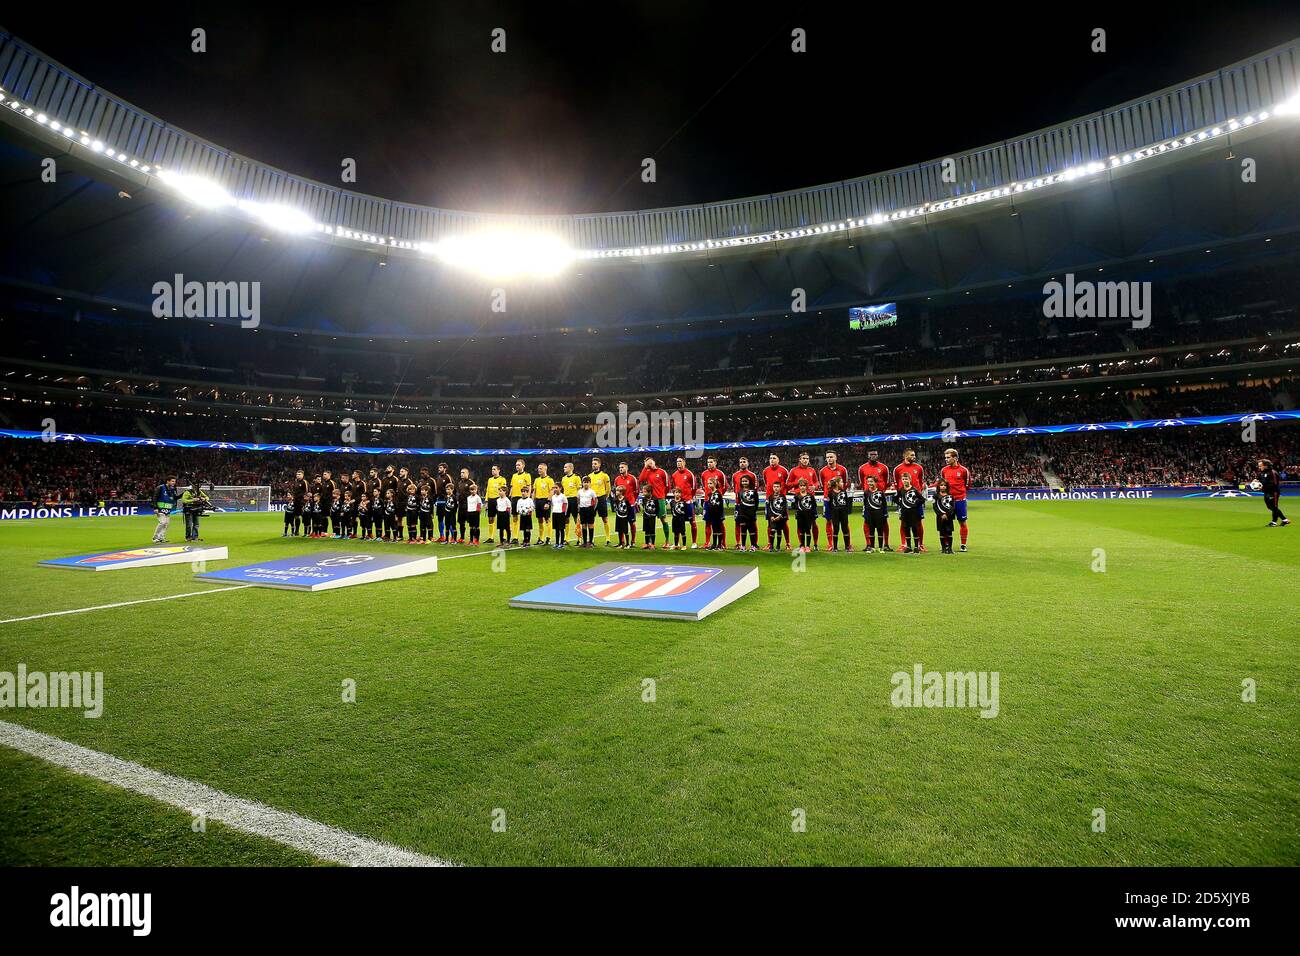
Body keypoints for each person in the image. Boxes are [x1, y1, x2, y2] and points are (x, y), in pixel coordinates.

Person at [940, 447, 972, 551]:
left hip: (960, 501)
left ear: (955, 458)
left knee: (962, 522)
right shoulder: (944, 470)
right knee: (946, 522)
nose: (946, 459)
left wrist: (960, 494)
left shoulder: (964, 470)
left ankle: (963, 544)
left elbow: (968, 485)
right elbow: (942, 484)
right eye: (945, 457)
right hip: (947, 501)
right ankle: (946, 545)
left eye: (948, 457)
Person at [788, 453, 822, 550]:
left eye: (807, 458)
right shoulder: (794, 470)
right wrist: (797, 482)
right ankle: (801, 544)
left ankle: (815, 544)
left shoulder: (812, 470)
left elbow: (817, 482)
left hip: (810, 500)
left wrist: (815, 486)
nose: (805, 460)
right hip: (799, 500)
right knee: (800, 525)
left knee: (813, 523)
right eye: (803, 458)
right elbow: (788, 484)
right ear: (800, 459)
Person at [894, 450, 926, 552]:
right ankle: (904, 544)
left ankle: (920, 544)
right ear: (905, 456)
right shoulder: (898, 469)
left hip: (916, 502)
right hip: (904, 502)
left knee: (919, 522)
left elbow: (921, 483)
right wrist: (901, 500)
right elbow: (896, 485)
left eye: (914, 455)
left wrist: (917, 498)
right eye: (912, 455)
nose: (914, 456)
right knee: (903, 523)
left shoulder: (919, 468)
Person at [637, 457, 671, 543]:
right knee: (649, 521)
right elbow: (640, 480)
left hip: (660, 499)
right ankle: (650, 542)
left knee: (663, 519)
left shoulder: (662, 472)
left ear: (654, 462)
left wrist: (662, 495)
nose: (650, 464)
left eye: (650, 462)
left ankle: (667, 541)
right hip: (650, 500)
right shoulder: (647, 472)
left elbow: (668, 486)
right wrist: (645, 467)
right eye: (648, 463)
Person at [821, 452, 849, 550]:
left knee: (845, 522)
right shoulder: (822, 471)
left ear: (836, 457)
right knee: (828, 520)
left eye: (831, 457)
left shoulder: (842, 469)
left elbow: (845, 483)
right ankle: (830, 544)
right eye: (827, 457)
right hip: (828, 499)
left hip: (840, 499)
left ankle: (848, 545)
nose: (829, 459)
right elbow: (823, 484)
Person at [670, 457, 699, 548]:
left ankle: (694, 543)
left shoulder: (690, 474)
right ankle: (677, 543)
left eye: (680, 461)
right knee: (677, 522)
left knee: (692, 522)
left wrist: (689, 497)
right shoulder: (674, 475)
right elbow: (674, 487)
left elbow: (694, 488)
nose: (678, 463)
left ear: (684, 462)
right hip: (678, 503)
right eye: (677, 461)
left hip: (687, 502)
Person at [699, 458, 727, 548]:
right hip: (707, 501)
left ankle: (723, 543)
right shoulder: (704, 474)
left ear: (715, 462)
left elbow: (725, 486)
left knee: (720, 522)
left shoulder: (720, 473)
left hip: (717, 503)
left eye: (711, 462)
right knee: (707, 522)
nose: (709, 464)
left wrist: (718, 496)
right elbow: (704, 486)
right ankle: (707, 542)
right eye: (708, 462)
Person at [587, 457, 614, 546]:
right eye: (592, 464)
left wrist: (605, 497)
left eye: (595, 464)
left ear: (599, 464)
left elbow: (608, 488)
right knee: (591, 520)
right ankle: (591, 539)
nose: (593, 465)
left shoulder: (604, 476)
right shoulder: (589, 476)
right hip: (592, 500)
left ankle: (608, 539)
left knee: (605, 519)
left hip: (601, 498)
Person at [1256, 458, 1290, 527]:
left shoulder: (1273, 473)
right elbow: (1258, 479)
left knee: (1274, 507)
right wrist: (1255, 481)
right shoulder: (1262, 472)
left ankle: (1274, 522)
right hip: (1266, 492)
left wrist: (1261, 487)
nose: (1259, 467)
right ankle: (1285, 520)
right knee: (1270, 507)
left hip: (1273, 492)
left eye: (1260, 466)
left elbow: (1274, 484)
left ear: (1266, 465)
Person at [897, 473, 924, 553]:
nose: (905, 481)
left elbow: (922, 499)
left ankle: (916, 547)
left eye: (906, 479)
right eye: (903, 479)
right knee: (906, 529)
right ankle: (908, 547)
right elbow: (895, 498)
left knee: (915, 529)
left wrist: (915, 504)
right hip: (904, 513)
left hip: (914, 513)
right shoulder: (900, 490)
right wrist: (901, 504)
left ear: (910, 480)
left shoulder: (914, 490)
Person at [614, 463, 639, 547]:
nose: (620, 469)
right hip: (621, 506)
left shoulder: (632, 478)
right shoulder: (617, 479)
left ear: (627, 468)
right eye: (620, 467)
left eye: (622, 467)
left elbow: (636, 491)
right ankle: (621, 542)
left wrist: (633, 501)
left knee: (632, 523)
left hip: (630, 505)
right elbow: (616, 491)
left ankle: (633, 541)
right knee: (621, 524)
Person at [863, 475, 890, 552]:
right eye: (868, 482)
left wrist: (885, 514)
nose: (869, 483)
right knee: (871, 531)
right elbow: (865, 504)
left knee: (879, 531)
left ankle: (880, 548)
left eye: (871, 481)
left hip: (879, 515)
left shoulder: (880, 492)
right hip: (870, 515)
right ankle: (872, 548)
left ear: (875, 482)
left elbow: (884, 504)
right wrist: (865, 515)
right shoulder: (866, 492)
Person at [509, 459, 531, 544]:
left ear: (523, 465)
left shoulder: (527, 475)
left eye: (519, 465)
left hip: (523, 499)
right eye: (516, 465)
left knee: (525, 518)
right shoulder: (514, 476)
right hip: (515, 498)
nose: (517, 466)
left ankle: (526, 538)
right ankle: (515, 537)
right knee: (515, 517)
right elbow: (512, 487)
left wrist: (528, 498)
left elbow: (529, 487)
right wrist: (510, 496)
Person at [735, 474, 759, 551]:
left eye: (746, 481)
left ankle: (753, 546)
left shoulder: (754, 491)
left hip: (751, 514)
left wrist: (753, 511)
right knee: (743, 530)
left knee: (752, 530)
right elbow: (740, 502)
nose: (744, 483)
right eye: (743, 481)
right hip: (742, 514)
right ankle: (743, 546)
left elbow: (756, 503)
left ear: (749, 482)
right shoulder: (740, 491)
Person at [827, 477, 852, 551]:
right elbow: (829, 504)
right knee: (836, 529)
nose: (842, 483)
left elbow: (847, 502)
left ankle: (847, 547)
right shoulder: (830, 493)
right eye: (841, 482)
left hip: (843, 513)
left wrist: (846, 511)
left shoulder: (844, 492)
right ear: (837, 483)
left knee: (845, 529)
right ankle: (835, 547)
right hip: (835, 513)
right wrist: (833, 512)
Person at [483, 465, 506, 544]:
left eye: (494, 469)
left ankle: (503, 537)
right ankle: (491, 537)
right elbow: (487, 491)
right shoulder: (490, 479)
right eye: (492, 469)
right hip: (490, 500)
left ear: (498, 470)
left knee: (501, 518)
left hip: (498, 500)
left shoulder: (502, 479)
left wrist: (502, 500)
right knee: (490, 518)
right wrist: (486, 501)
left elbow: (504, 490)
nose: (492, 471)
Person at [152, 476, 179, 543]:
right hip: (160, 508)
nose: (174, 483)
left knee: (166, 524)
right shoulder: (160, 487)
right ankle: (155, 537)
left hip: (168, 509)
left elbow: (175, 498)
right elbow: (154, 497)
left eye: (174, 481)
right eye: (172, 481)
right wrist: (155, 507)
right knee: (162, 522)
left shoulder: (173, 489)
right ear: (168, 481)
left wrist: (183, 494)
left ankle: (161, 537)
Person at [933, 479, 956, 554]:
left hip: (949, 517)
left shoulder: (950, 496)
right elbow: (935, 507)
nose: (943, 487)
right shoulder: (936, 496)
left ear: (947, 487)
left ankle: (950, 548)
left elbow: (952, 507)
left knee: (949, 532)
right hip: (940, 517)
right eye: (941, 485)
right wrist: (941, 514)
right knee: (942, 532)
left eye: (944, 485)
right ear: (938, 486)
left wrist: (947, 514)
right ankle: (943, 548)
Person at [766, 480, 790, 551]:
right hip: (773, 517)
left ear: (780, 488)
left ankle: (778, 546)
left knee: (779, 531)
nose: (776, 488)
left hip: (780, 517)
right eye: (774, 487)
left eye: (777, 487)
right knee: (772, 530)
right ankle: (771, 546)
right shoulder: (770, 497)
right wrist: (771, 516)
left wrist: (780, 516)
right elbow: (769, 508)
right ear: (772, 488)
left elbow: (784, 508)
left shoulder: (783, 497)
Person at [793, 479, 817, 553]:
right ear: (799, 486)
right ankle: (802, 546)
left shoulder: (810, 496)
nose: (802, 487)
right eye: (801, 486)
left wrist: (812, 515)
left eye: (804, 486)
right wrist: (797, 511)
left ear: (806, 486)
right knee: (801, 531)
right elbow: (794, 505)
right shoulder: (796, 496)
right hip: (800, 516)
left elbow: (814, 505)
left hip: (808, 516)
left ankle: (808, 546)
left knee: (808, 530)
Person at [703, 478, 726, 550]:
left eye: (711, 483)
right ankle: (714, 544)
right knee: (714, 529)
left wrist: (720, 515)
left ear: (715, 484)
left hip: (717, 515)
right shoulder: (710, 494)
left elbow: (720, 506)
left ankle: (719, 545)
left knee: (719, 529)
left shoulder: (718, 493)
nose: (709, 485)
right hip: (712, 515)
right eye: (708, 483)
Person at [561, 463, 583, 538]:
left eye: (565, 467)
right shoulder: (563, 479)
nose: (564, 468)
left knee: (576, 518)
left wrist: (579, 502)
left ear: (570, 468)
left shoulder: (576, 478)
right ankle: (566, 538)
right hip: (566, 500)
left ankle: (579, 539)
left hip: (574, 499)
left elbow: (579, 490)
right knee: (565, 519)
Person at [578, 476, 598, 547]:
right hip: (582, 509)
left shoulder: (592, 491)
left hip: (589, 509)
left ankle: (591, 542)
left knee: (590, 525)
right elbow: (578, 499)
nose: (586, 484)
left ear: (590, 483)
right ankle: (584, 542)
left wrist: (594, 508)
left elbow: (596, 500)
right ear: (582, 483)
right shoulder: (580, 491)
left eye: (587, 482)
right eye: (584, 482)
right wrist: (579, 507)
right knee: (583, 525)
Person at [639, 486, 659, 550]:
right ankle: (646, 543)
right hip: (645, 517)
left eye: (645, 492)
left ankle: (653, 544)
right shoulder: (644, 499)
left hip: (652, 517)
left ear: (649, 492)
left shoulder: (655, 499)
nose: (643, 493)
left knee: (652, 530)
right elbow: (644, 506)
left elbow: (657, 508)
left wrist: (654, 514)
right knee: (646, 530)